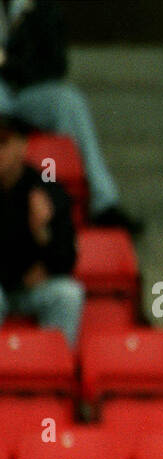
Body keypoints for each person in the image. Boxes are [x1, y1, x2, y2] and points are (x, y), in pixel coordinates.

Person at [0, 0, 141, 233]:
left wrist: (11, 64)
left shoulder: (42, 6)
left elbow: (55, 63)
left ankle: (103, 202)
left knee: (69, 101)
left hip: (29, 90)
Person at [0, 108, 81, 344]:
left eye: (3, 143)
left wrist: (42, 232)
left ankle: (56, 371)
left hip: (30, 290)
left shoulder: (45, 187)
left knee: (67, 294)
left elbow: (67, 259)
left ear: (22, 147)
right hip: (7, 285)